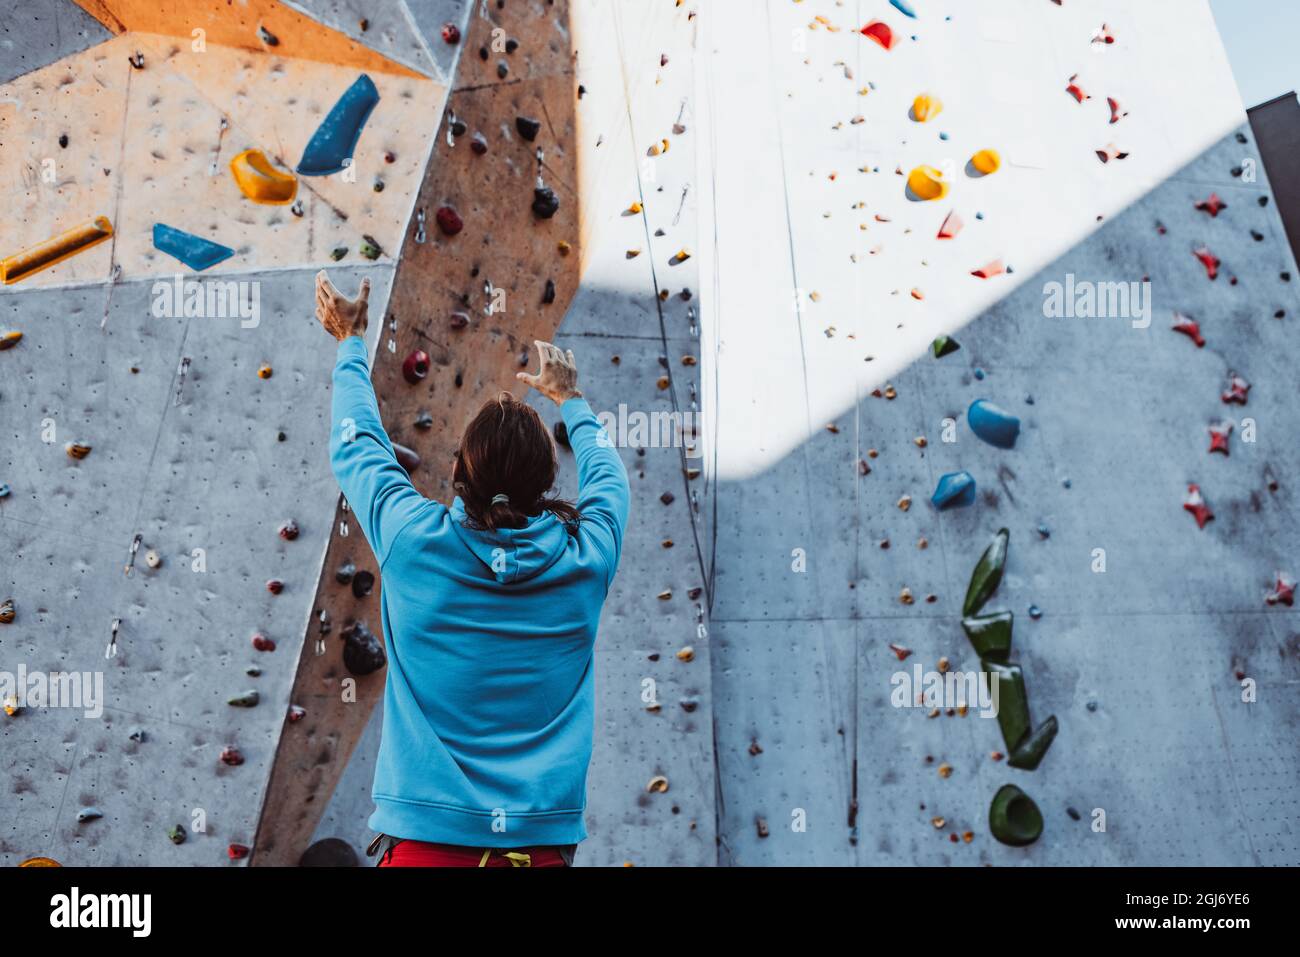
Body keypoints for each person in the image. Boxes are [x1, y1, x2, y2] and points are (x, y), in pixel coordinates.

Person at [314, 271, 630, 867]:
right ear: (547, 483)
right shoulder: (587, 559)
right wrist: (572, 401)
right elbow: (610, 481)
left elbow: (356, 445)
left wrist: (350, 341)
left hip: (423, 851)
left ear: (459, 471)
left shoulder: (411, 538)